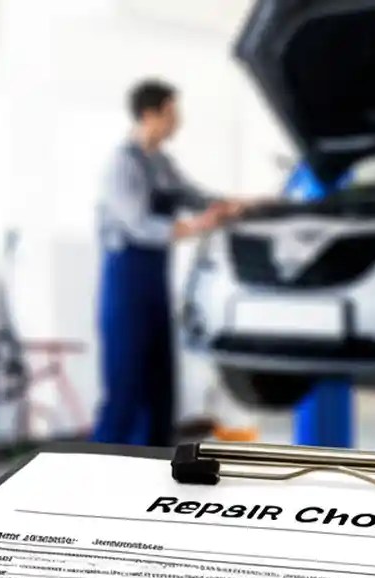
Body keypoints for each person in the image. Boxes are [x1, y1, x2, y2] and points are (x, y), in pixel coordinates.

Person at [91, 79, 246, 447]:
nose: (179, 122)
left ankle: (156, 465)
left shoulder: (161, 162)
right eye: (173, 114)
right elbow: (140, 225)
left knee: (160, 381)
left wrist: (235, 206)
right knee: (126, 383)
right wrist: (197, 225)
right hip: (126, 283)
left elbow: (193, 196)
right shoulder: (121, 164)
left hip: (155, 284)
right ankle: (99, 469)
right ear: (150, 114)